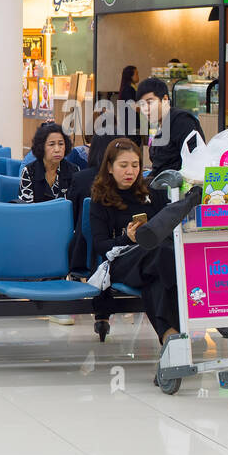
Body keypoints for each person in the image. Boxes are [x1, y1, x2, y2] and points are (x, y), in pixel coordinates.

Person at [88, 138, 177, 346]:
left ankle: (170, 337)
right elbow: (100, 245)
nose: (130, 171)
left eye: (135, 165)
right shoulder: (100, 199)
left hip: (153, 263)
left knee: (155, 280)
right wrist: (125, 238)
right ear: (109, 167)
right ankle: (179, 323)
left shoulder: (151, 193)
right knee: (160, 252)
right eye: (123, 165)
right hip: (121, 261)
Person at [135, 76, 202, 184]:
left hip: (177, 191)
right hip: (160, 186)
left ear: (165, 99)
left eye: (150, 102)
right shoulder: (159, 125)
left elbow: (195, 158)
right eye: (142, 104)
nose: (145, 109)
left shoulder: (181, 121)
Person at [19, 122, 77, 203]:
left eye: (61, 144)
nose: (57, 149)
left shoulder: (74, 170)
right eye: (51, 144)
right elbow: (26, 208)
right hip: (37, 215)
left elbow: (75, 206)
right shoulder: (29, 171)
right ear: (41, 147)